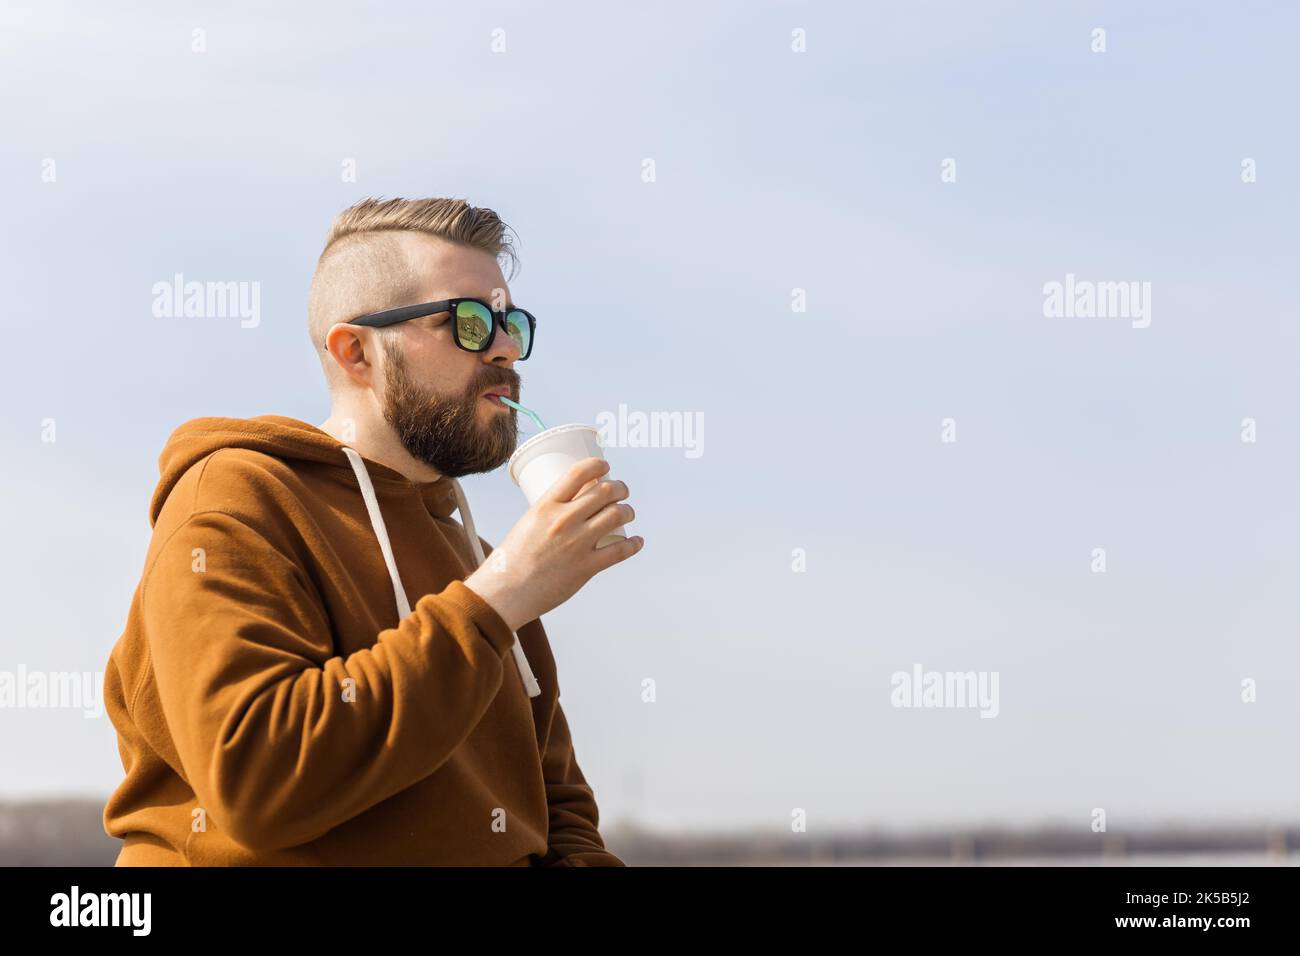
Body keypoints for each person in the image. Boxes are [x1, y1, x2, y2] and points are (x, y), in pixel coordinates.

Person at [102, 197, 642, 865]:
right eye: (468, 322)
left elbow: (557, 812)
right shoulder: (235, 500)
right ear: (355, 351)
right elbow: (259, 782)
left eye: (511, 324)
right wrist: (499, 598)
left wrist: (501, 592)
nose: (505, 348)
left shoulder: (478, 559)